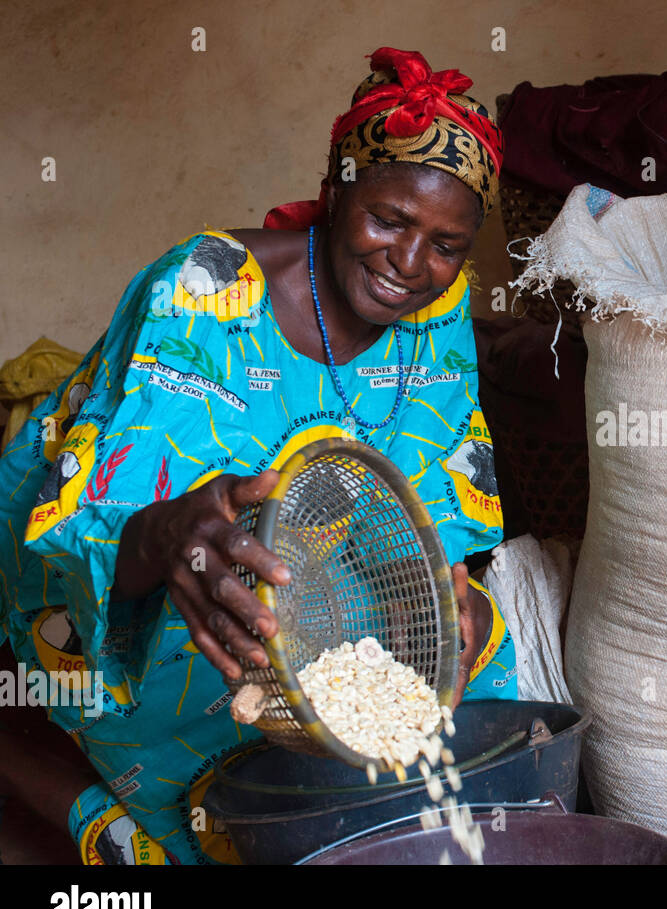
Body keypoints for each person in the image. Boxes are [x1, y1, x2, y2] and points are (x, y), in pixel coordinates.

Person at [0, 48, 515, 864]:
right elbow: (103, 522)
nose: (411, 266)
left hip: (303, 561)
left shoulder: (439, 314)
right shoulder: (206, 290)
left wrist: (453, 608)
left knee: (477, 695)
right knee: (216, 791)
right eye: (388, 220)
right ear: (337, 186)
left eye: (446, 245)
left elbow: (430, 508)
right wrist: (168, 535)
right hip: (117, 564)